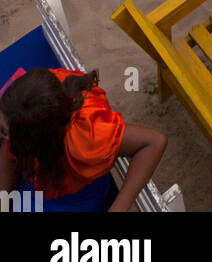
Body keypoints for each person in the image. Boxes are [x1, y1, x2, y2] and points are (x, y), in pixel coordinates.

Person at [0, 66, 166, 213]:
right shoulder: (29, 98)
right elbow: (9, 154)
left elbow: (154, 142)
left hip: (74, 195)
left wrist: (119, 207)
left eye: (4, 131)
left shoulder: (88, 137)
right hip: (40, 174)